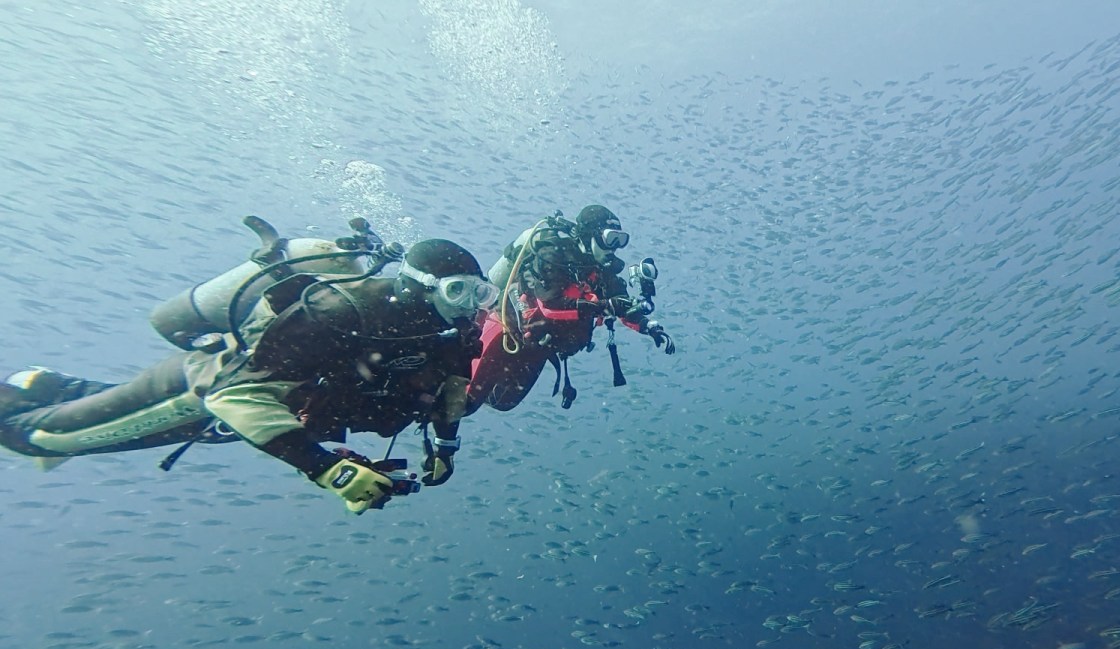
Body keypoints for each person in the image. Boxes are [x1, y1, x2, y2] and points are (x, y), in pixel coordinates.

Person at [0, 218, 497, 515]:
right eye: (458, 291)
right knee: (37, 440)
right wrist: (329, 471)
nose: (469, 305)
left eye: (479, 293)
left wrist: (445, 447)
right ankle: (26, 400)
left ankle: (50, 385)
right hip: (197, 392)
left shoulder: (447, 333)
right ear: (417, 285)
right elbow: (234, 396)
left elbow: (451, 385)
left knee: (99, 412)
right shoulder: (339, 312)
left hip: (255, 418)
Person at [468, 204, 676, 414]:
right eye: (611, 238)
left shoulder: (601, 273)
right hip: (506, 331)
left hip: (539, 347)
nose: (614, 247)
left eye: (621, 240)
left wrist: (648, 327)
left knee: (502, 403)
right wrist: (603, 306)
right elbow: (550, 306)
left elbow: (622, 305)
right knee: (466, 400)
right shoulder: (553, 255)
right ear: (590, 234)